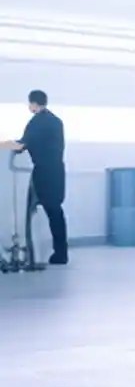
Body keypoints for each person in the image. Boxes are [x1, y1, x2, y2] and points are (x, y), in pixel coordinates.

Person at [2, 90, 68, 265]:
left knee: (28, 211)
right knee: (55, 212)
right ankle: (61, 253)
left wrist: (3, 144)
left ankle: (28, 254)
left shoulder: (37, 122)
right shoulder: (56, 121)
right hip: (57, 171)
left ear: (33, 104)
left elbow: (21, 145)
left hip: (44, 173)